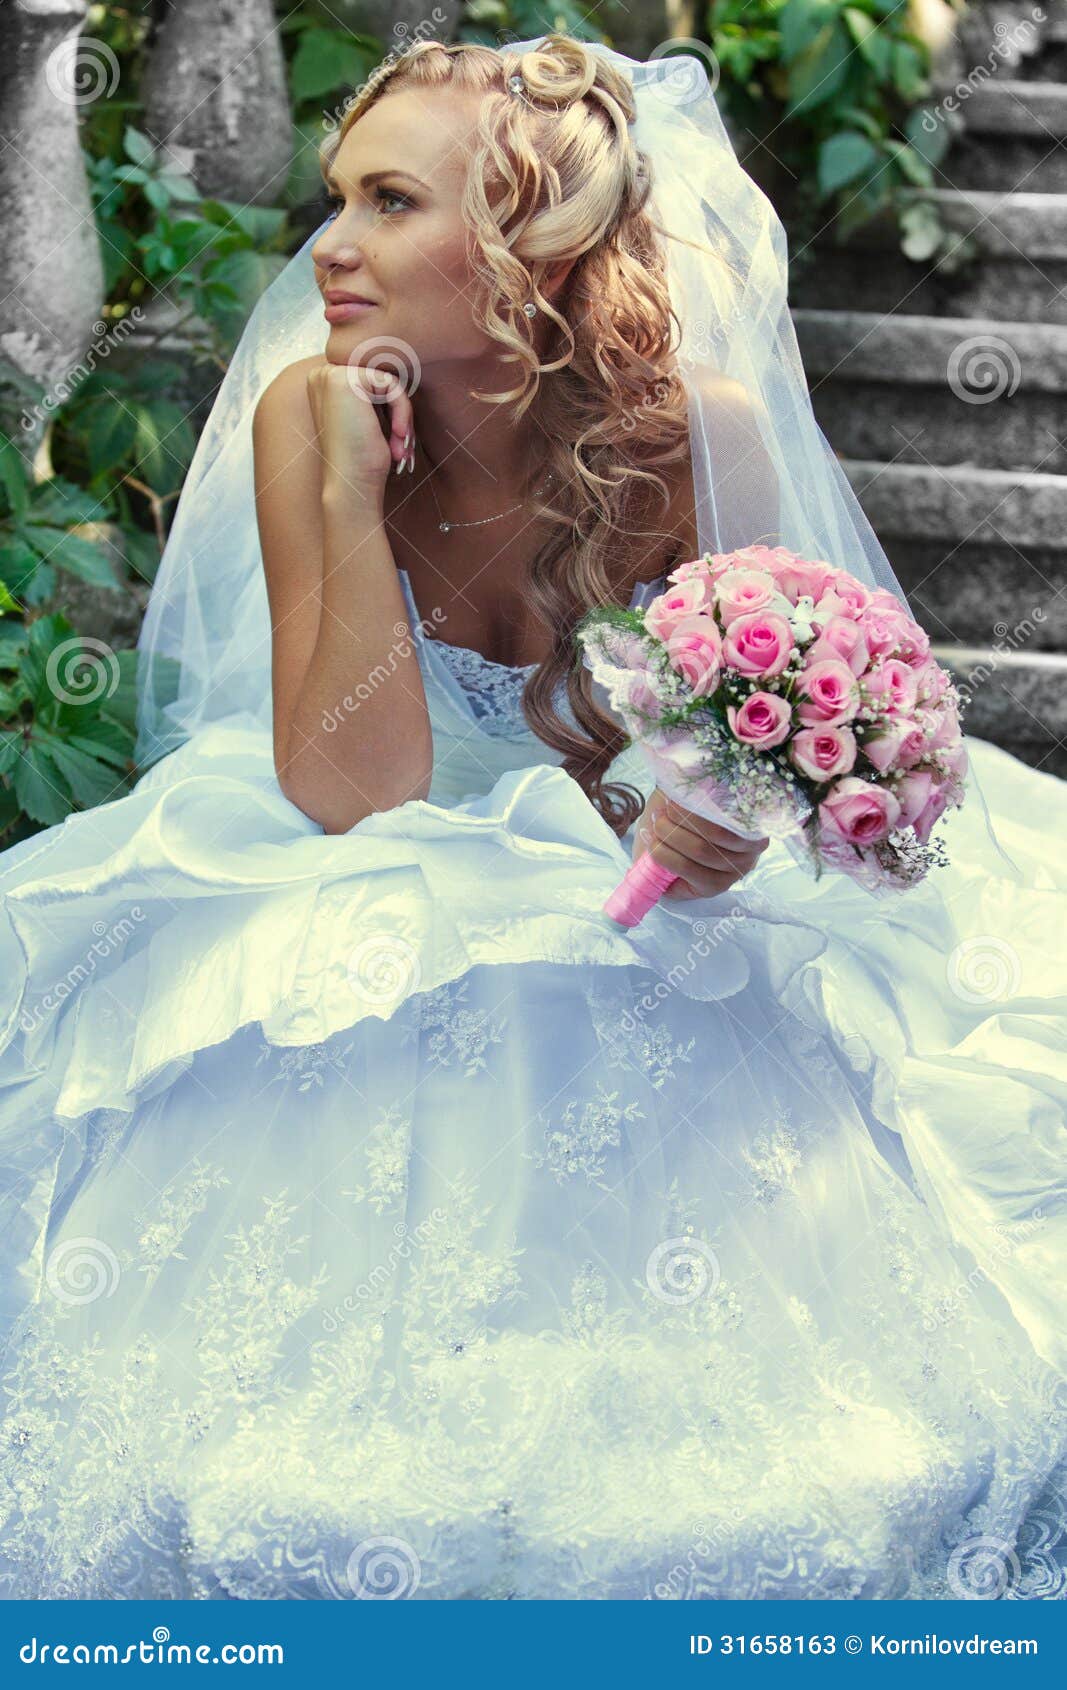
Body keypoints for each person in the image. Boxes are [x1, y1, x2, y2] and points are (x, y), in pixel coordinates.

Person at [0, 33, 1064, 1603]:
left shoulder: (701, 431)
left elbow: (705, 772)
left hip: (624, 902)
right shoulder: (315, 415)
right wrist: (356, 497)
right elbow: (353, 793)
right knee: (399, 937)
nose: (331, 248)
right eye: (334, 200)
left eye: (388, 204)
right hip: (370, 878)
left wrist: (721, 819)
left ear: (525, 246)